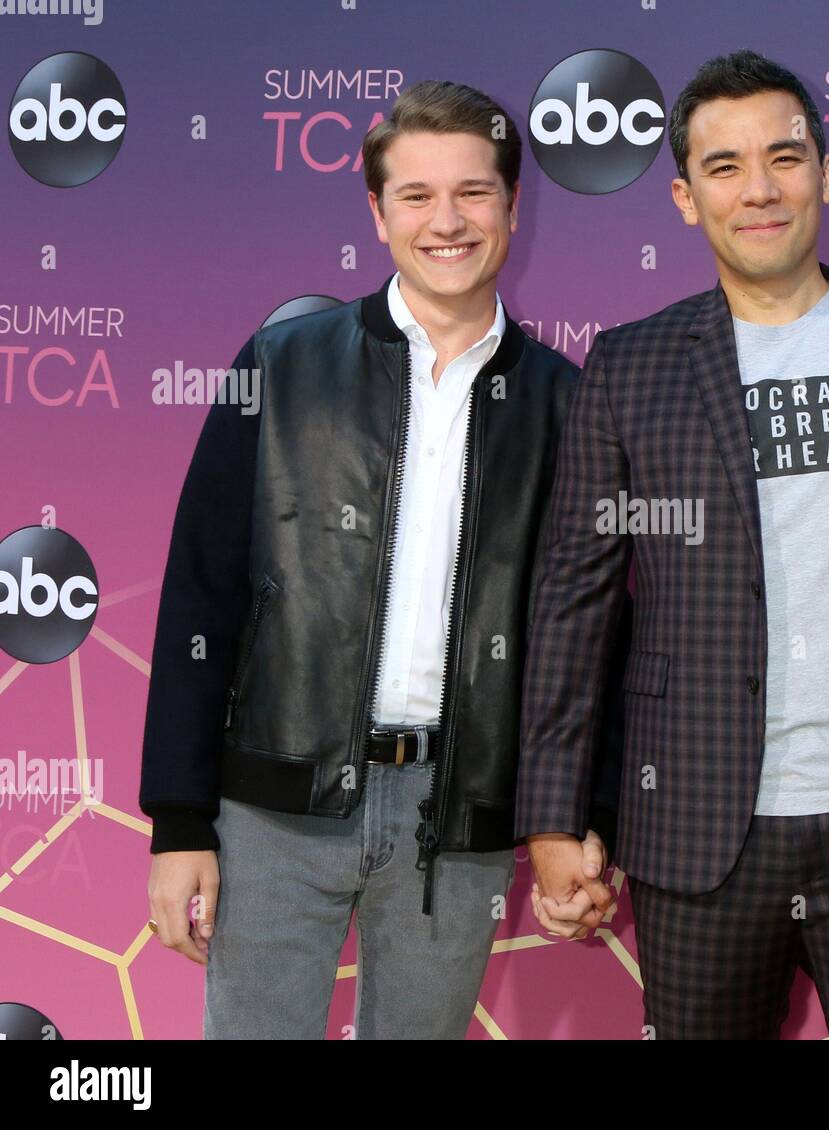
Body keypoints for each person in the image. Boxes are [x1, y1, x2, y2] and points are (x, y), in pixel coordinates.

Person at [516, 49, 829, 1039]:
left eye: (784, 157)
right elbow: (572, 599)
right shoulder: (629, 367)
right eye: (724, 166)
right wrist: (551, 817)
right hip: (701, 831)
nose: (759, 189)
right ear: (682, 196)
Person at [140, 79, 624, 1040]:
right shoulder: (280, 365)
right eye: (416, 195)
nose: (447, 221)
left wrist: (587, 813)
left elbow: (592, 636)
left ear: (515, 205)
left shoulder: (572, 404)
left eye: (474, 192)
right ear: (377, 210)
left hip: (458, 823)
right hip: (274, 806)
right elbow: (202, 596)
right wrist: (180, 821)